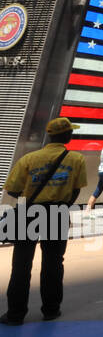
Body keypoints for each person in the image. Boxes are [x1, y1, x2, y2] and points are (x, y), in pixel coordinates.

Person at [1, 118, 88, 325]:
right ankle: (50, 309)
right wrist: (62, 205)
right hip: (57, 212)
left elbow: (12, 189)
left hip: (29, 212)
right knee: (54, 262)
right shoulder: (76, 159)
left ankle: (15, 314)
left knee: (21, 264)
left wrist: (28, 201)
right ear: (67, 136)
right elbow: (76, 189)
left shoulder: (29, 158)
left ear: (50, 135)